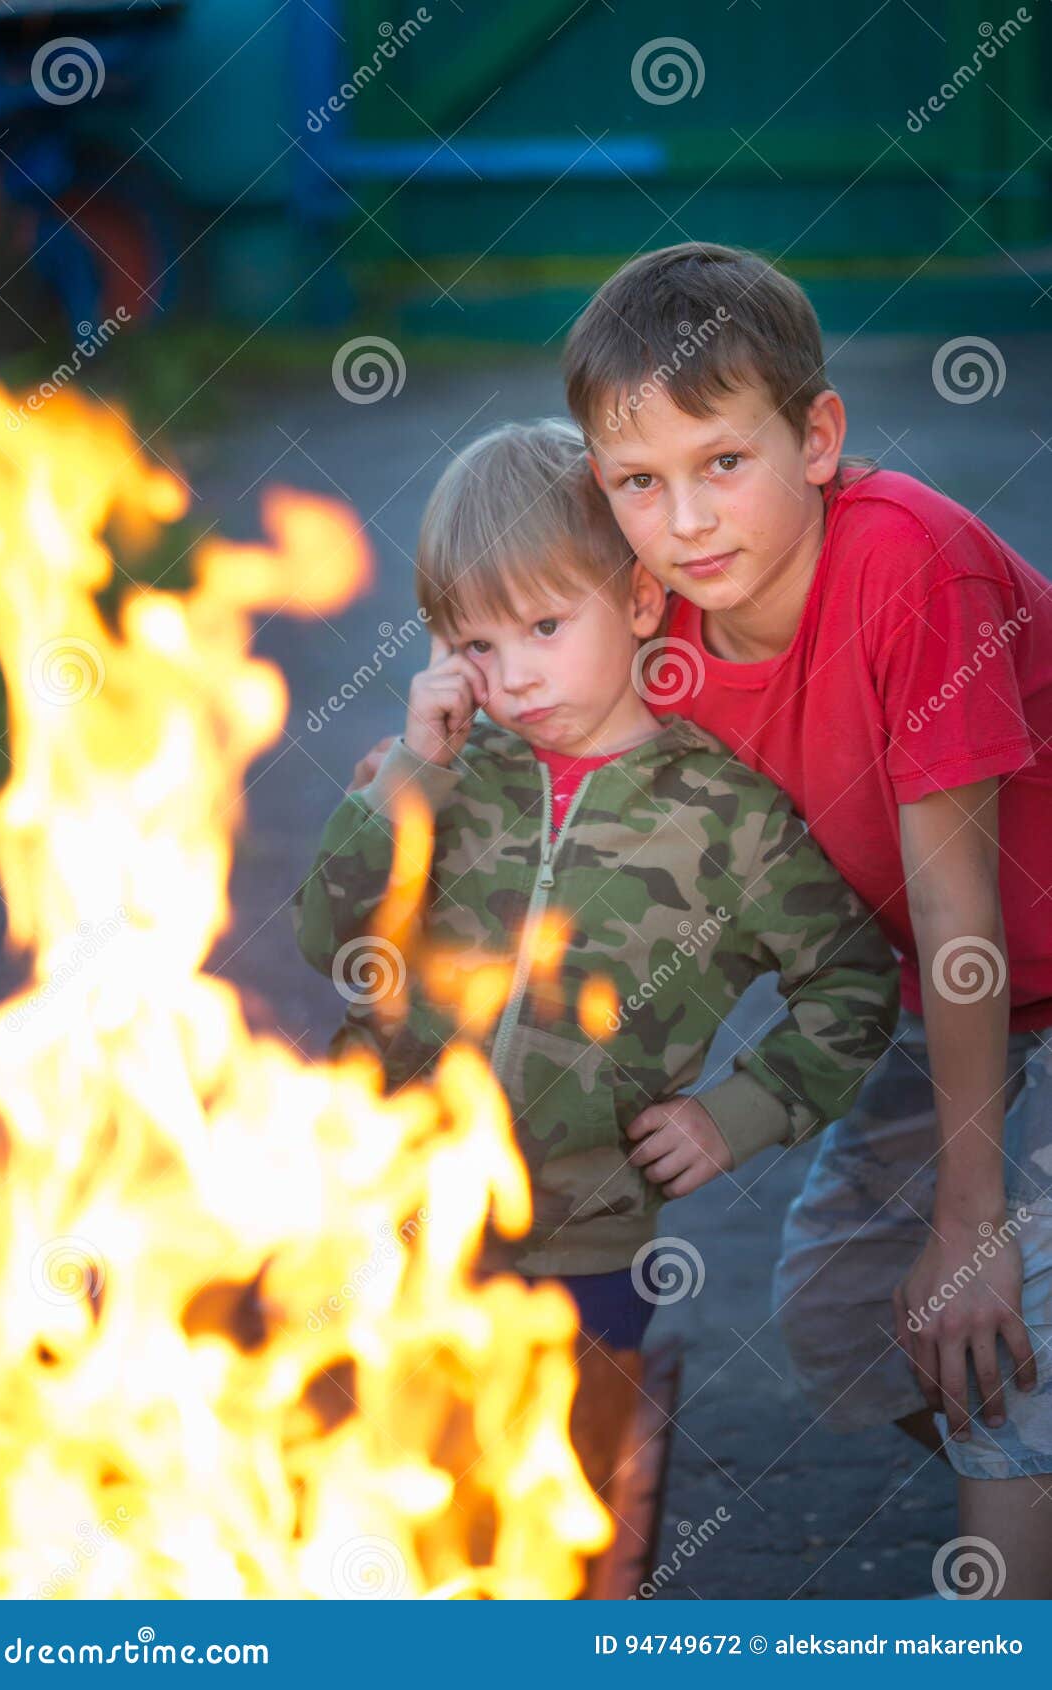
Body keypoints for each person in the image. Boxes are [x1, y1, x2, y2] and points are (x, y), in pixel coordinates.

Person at [556, 239, 1052, 1597]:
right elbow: (528, 677)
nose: (687, 518)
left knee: (1005, 1333)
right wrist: (426, 725)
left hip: (996, 971)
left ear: (815, 436)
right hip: (965, 1004)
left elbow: (959, 922)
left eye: (723, 460)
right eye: (637, 483)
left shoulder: (906, 569)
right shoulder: (658, 617)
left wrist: (971, 1220)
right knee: (838, 1315)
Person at [294, 418, 898, 1354]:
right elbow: (326, 938)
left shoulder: (725, 813)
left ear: (638, 601)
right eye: (476, 645)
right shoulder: (435, 776)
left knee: (572, 1478)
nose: (517, 675)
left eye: (545, 626)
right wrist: (409, 777)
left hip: (586, 1252)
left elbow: (855, 983)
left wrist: (735, 1114)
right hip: (385, 1211)